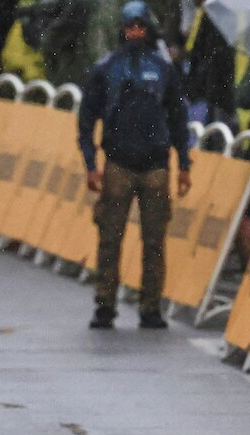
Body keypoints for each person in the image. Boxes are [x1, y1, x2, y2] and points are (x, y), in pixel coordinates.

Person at [78, 0, 191, 330]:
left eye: (141, 26)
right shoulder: (106, 68)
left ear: (148, 29)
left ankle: (150, 307)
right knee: (110, 237)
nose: (136, 33)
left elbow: (178, 118)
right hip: (118, 164)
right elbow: (86, 119)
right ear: (122, 30)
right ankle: (105, 305)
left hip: (156, 165)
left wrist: (184, 164)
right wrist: (90, 163)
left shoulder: (164, 68)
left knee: (154, 241)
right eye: (130, 27)